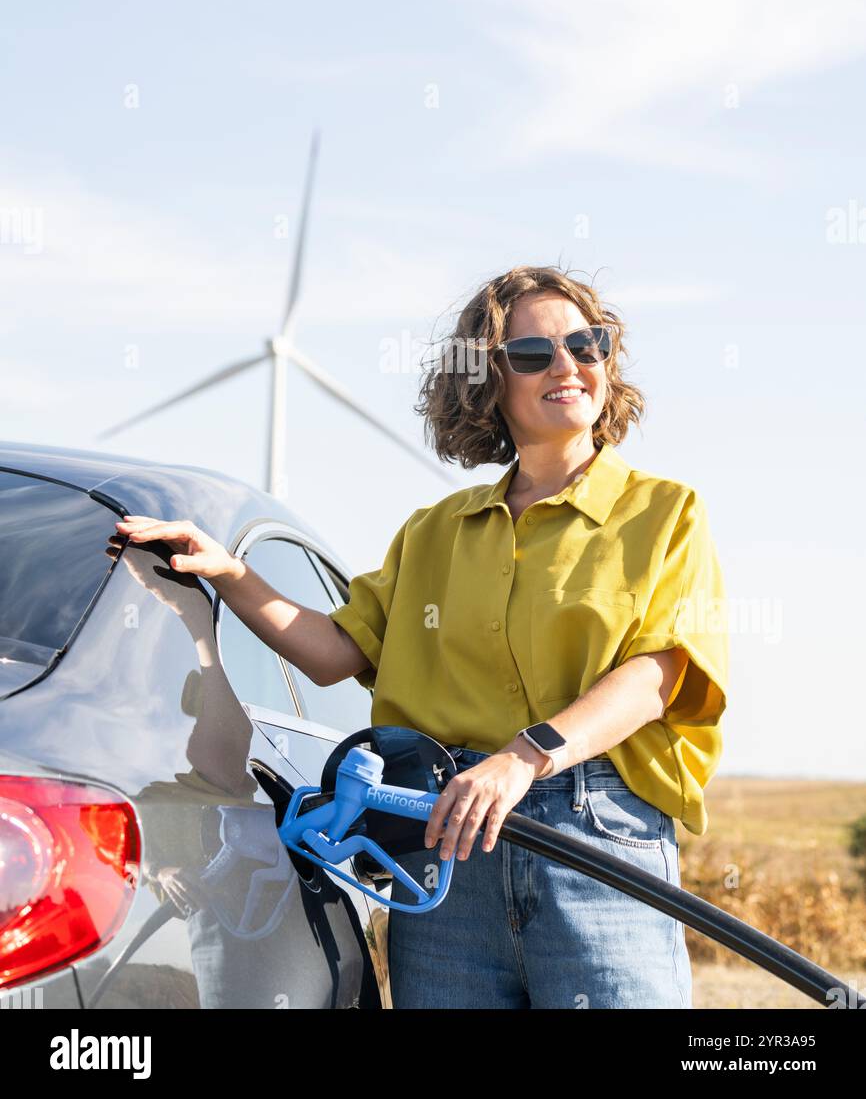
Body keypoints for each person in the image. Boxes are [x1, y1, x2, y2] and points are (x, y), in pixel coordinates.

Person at [116, 263, 729, 1010]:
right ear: (488, 383)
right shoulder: (433, 532)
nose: (568, 365)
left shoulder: (665, 512)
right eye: (534, 354)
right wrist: (226, 571)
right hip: (441, 843)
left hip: (593, 834)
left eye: (586, 344)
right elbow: (334, 650)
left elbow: (658, 674)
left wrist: (521, 759)